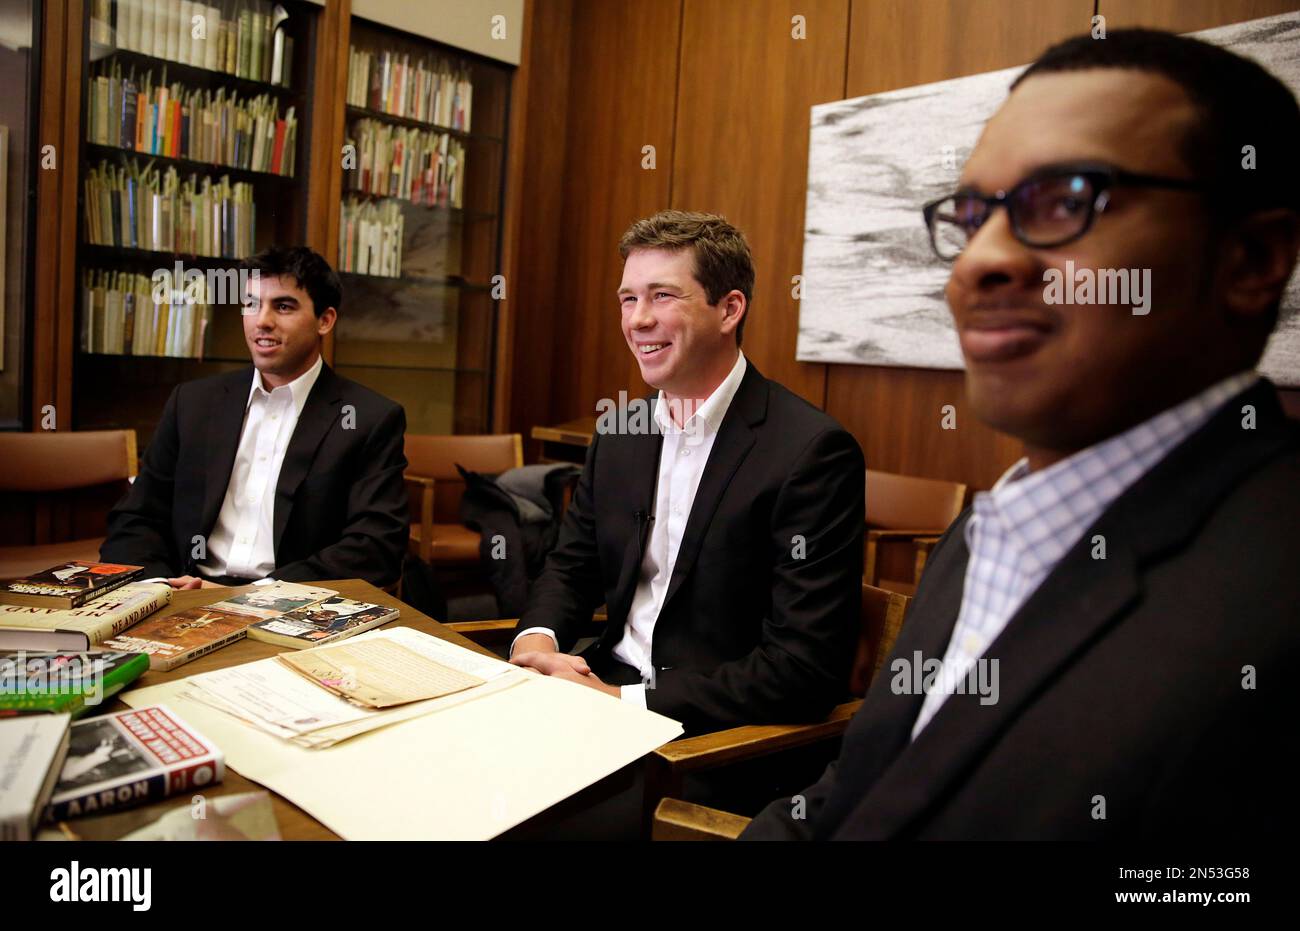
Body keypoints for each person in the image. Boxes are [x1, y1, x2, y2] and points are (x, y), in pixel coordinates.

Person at [744, 29, 1300, 839]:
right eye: (973, 216)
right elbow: (857, 795)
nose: (978, 262)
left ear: (1251, 258)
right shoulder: (984, 531)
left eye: (1067, 201)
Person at [509, 210, 866, 736]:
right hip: (595, 688)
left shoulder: (812, 453)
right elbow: (572, 567)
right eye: (628, 299)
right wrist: (537, 643)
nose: (637, 319)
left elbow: (803, 668)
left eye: (662, 296)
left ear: (729, 310)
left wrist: (618, 702)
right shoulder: (620, 433)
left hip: (711, 734)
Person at [101, 246, 409, 589]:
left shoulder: (370, 419)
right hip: (185, 595)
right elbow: (136, 517)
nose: (262, 320)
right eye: (251, 304)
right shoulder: (192, 403)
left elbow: (376, 546)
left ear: (325, 320)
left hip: (293, 604)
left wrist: (257, 596)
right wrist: (160, 586)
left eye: (283, 306)